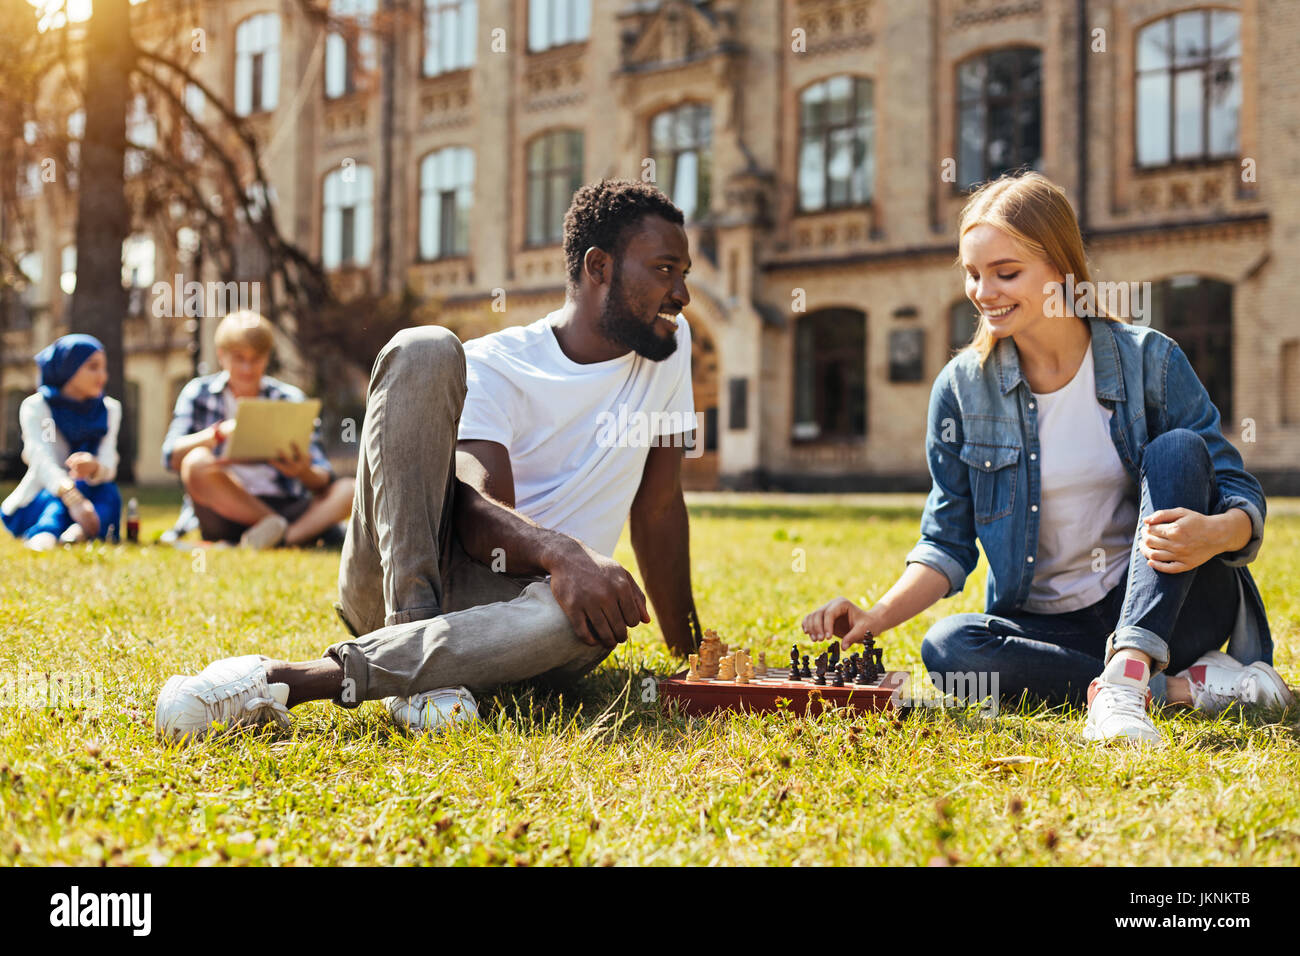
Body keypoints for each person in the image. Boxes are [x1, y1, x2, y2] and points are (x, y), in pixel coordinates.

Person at [155, 179, 704, 741]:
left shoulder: (669, 347)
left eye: (684, 273)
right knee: (425, 348)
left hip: (527, 619)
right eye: (665, 269)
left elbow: (660, 508)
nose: (682, 293)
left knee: (588, 618)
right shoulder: (497, 365)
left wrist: (693, 654)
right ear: (599, 267)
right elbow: (472, 511)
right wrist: (563, 552)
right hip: (408, 575)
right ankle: (408, 635)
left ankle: (289, 681)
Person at [800, 172, 1290, 747]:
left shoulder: (1149, 360)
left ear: (1061, 269)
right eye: (972, 273)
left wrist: (1216, 532)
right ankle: (1179, 689)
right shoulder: (962, 389)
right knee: (950, 648)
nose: (984, 292)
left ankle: (1132, 672)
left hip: (1171, 604)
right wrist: (874, 616)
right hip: (1054, 629)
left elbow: (1235, 486)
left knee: (1178, 449)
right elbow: (946, 542)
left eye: (1006, 273)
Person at [160, 311, 354, 549]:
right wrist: (218, 434)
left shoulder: (290, 398)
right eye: (239, 358)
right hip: (224, 509)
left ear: (267, 358)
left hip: (285, 501)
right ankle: (280, 530)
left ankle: (281, 537)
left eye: (256, 359)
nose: (247, 368)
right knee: (195, 462)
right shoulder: (198, 393)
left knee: (350, 489)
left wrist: (303, 471)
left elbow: (323, 478)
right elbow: (170, 456)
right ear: (222, 356)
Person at [2, 334, 122, 551]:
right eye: (93, 367)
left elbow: (109, 459)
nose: (102, 376)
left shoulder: (109, 409)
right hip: (45, 495)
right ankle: (46, 531)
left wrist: (94, 466)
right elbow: (42, 460)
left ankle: (80, 532)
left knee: (109, 494)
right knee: (55, 498)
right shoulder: (38, 407)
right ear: (69, 368)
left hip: (91, 495)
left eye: (104, 368)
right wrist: (72, 497)